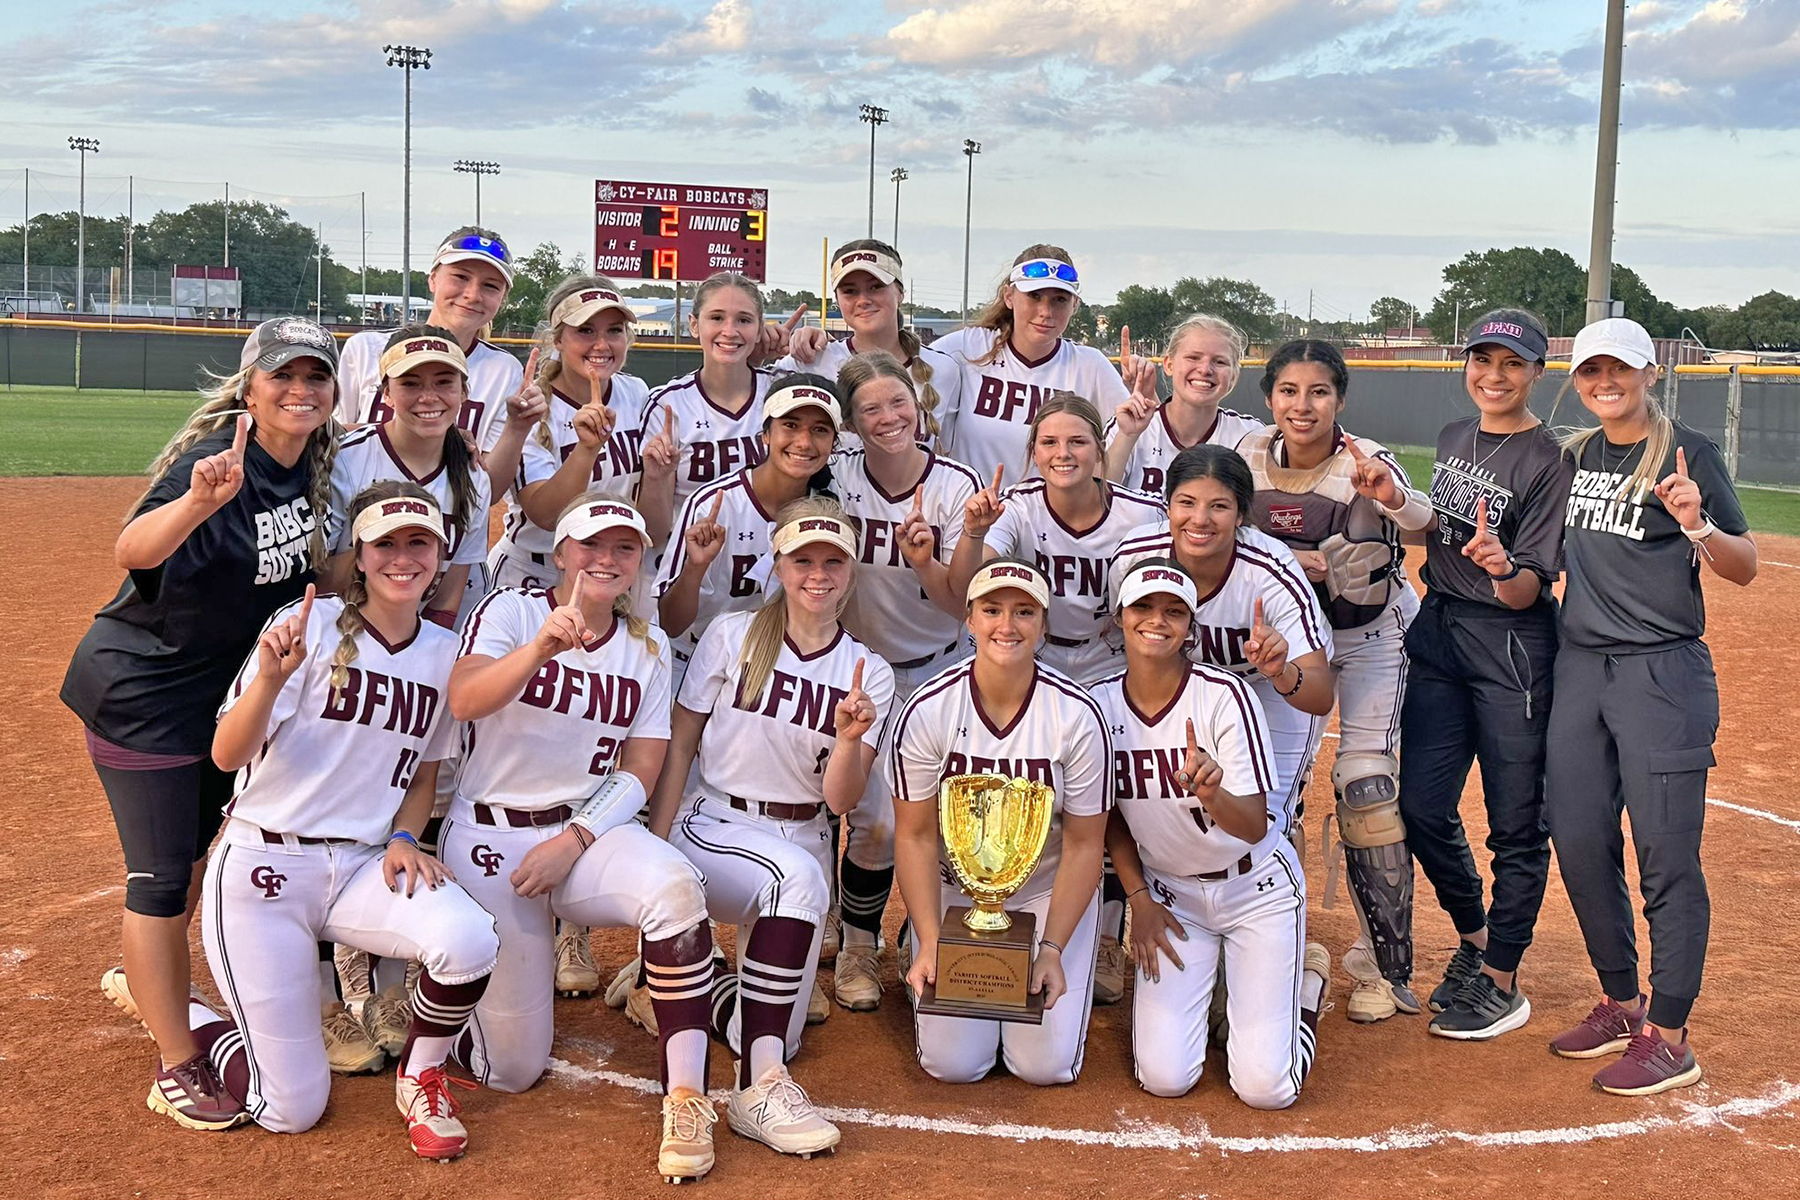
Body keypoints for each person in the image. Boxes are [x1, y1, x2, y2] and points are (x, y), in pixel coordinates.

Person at [63, 317, 341, 1130]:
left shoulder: (313, 464)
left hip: (220, 701)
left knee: (187, 862)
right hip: (145, 698)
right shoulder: (219, 463)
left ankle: (141, 978)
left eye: (314, 377)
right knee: (159, 877)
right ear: (249, 386)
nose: (299, 390)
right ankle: (177, 1057)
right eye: (282, 376)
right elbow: (134, 551)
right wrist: (195, 501)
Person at [194, 484, 498, 1160]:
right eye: (384, 543)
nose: (402, 557)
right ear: (358, 556)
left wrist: (400, 838)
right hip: (264, 867)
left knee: (469, 936)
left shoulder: (443, 654)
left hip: (363, 863)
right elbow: (225, 755)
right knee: (291, 1110)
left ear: (440, 552)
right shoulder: (310, 625)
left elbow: (423, 775)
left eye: (418, 542)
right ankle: (197, 1026)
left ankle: (421, 1078)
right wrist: (270, 679)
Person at [442, 494, 723, 1182]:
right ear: (563, 552)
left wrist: (576, 837)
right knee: (511, 1071)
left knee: (674, 883)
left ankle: (687, 1096)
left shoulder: (646, 646)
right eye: (592, 545)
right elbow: (465, 700)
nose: (606, 559)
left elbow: (642, 769)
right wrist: (540, 648)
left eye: (624, 548)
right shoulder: (510, 611)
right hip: (489, 834)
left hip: (580, 835)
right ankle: (435, 986)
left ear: (637, 564)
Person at [1544, 317, 1756, 1096]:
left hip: (1661, 674)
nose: (1607, 381)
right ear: (1578, 378)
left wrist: (1696, 521)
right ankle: (1621, 1000)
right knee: (1576, 833)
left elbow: (1745, 566)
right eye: (1592, 369)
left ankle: (1670, 1035)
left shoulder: (1688, 450)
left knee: (1665, 855)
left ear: (1649, 374)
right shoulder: (1575, 456)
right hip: (1580, 670)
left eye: (1621, 369)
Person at [653, 498, 894, 1159]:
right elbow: (680, 744)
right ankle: (760, 1088)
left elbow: (842, 800)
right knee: (799, 882)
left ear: (851, 571)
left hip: (805, 829)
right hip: (715, 823)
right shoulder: (732, 635)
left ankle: (681, 984)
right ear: (780, 565)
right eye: (803, 561)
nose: (818, 574)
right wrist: (658, 838)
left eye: (832, 562)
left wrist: (849, 739)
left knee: (775, 1024)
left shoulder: (868, 669)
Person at [1238, 340, 1433, 1023]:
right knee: (1274, 791)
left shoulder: (1363, 459)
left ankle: (1386, 966)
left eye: (1318, 392)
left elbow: (1422, 521)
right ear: (1269, 398)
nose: (1303, 405)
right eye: (1288, 391)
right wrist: (1292, 558)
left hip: (1370, 637)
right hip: (1291, 644)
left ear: (1340, 399)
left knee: (1367, 784)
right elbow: (1217, 532)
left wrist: (1392, 493)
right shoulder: (1248, 457)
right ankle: (1281, 942)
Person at [951, 391, 1165, 1002]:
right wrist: (973, 534)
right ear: (1033, 451)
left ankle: (1106, 934)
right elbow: (977, 584)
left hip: (1111, 662)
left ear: (1102, 450)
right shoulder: (1017, 506)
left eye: (1077, 441)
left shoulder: (1139, 515)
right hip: (1037, 657)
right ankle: (992, 901)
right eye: (1049, 442)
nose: (1063, 453)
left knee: (1114, 800)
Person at [1396, 311, 1574, 1041]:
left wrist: (1503, 569)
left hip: (1509, 643)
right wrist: (1390, 500)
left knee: (1515, 824)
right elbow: (1427, 533)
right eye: (1482, 360)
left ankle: (1502, 977)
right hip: (1440, 631)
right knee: (1420, 807)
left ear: (1536, 374)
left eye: (1512, 364)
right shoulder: (1451, 437)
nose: (1493, 377)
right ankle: (1474, 936)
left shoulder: (1551, 458)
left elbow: (1533, 584)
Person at [1095, 559, 1329, 1106]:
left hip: (1257, 891)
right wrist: (1138, 898)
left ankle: (1307, 989)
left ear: (1190, 629)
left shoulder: (1225, 695)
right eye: (1143, 607)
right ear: (1119, 619)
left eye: (1174, 611)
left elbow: (1251, 825)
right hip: (1174, 900)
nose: (1158, 620)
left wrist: (1212, 795)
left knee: (1266, 1089)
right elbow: (1108, 819)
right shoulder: (1099, 704)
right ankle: (1232, 994)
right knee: (1165, 1079)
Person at [890, 559, 1110, 1085]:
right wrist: (928, 938)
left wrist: (1052, 949)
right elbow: (915, 835)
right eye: (992, 610)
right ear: (969, 620)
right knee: (954, 1066)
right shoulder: (929, 707)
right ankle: (912, 953)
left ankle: (1051, 959)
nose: (1006, 626)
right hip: (956, 892)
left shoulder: (1075, 714)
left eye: (1023, 612)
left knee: (1043, 1067)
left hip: (1042, 891)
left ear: (1044, 625)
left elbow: (1084, 846)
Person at [826, 351, 986, 1011]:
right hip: (859, 664)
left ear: (918, 406)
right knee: (875, 824)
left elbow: (963, 603)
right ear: (851, 423)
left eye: (898, 403)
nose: (889, 418)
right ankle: (859, 939)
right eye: (871, 409)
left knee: (948, 819)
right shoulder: (835, 477)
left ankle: (936, 936)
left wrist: (923, 560)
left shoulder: (954, 482)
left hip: (940, 667)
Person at [491, 276, 675, 593]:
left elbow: (653, 529)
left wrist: (658, 478)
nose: (602, 345)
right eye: (585, 331)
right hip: (536, 575)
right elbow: (546, 516)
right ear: (558, 339)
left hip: (608, 572)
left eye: (614, 331)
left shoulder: (635, 393)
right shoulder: (531, 407)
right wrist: (586, 450)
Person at [655, 375, 840, 689]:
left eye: (820, 430)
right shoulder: (712, 506)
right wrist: (695, 568)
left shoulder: (831, 505)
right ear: (766, 434)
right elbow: (670, 624)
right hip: (694, 662)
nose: (804, 442)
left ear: (834, 442)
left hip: (781, 669)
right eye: (791, 425)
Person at [333, 226, 543, 501]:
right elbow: (331, 440)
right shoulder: (367, 348)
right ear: (432, 280)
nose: (472, 294)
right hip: (357, 517)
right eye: (460, 277)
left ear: (502, 299)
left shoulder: (503, 370)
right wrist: (443, 441)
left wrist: (518, 428)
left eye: (490, 286)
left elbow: (488, 491)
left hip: (446, 530)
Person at [325, 327, 493, 629]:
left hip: (420, 635)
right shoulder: (347, 459)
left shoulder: (474, 477)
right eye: (410, 384)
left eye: (444, 383)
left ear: (464, 392)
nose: (429, 397)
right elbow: (321, 580)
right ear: (386, 393)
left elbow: (451, 592)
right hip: (341, 627)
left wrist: (419, 650)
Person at [928, 245, 1128, 478]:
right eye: (1034, 296)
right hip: (972, 510)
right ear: (1009, 296)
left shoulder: (1090, 366)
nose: (1046, 311)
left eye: (1059, 300)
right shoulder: (965, 348)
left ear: (1074, 305)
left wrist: (1146, 399)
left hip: (1050, 513)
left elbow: (1131, 443)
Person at [777, 239, 966, 450]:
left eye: (875, 287)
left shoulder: (943, 368)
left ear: (900, 293)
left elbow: (947, 450)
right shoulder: (813, 360)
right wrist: (758, 350)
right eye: (850, 291)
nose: (863, 299)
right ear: (837, 300)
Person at [641, 272, 780, 517]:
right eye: (716, 317)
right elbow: (654, 531)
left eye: (744, 320)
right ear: (694, 325)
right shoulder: (666, 405)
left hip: (769, 551)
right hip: (689, 551)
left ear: (760, 329)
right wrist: (656, 479)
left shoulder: (781, 393)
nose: (729, 331)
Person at [1104, 315, 1265, 493]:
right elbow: (1094, 500)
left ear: (1234, 375)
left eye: (1219, 362)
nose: (1205, 369)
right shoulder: (1130, 425)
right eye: (1193, 358)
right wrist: (1127, 435)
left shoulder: (1250, 434)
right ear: (1169, 364)